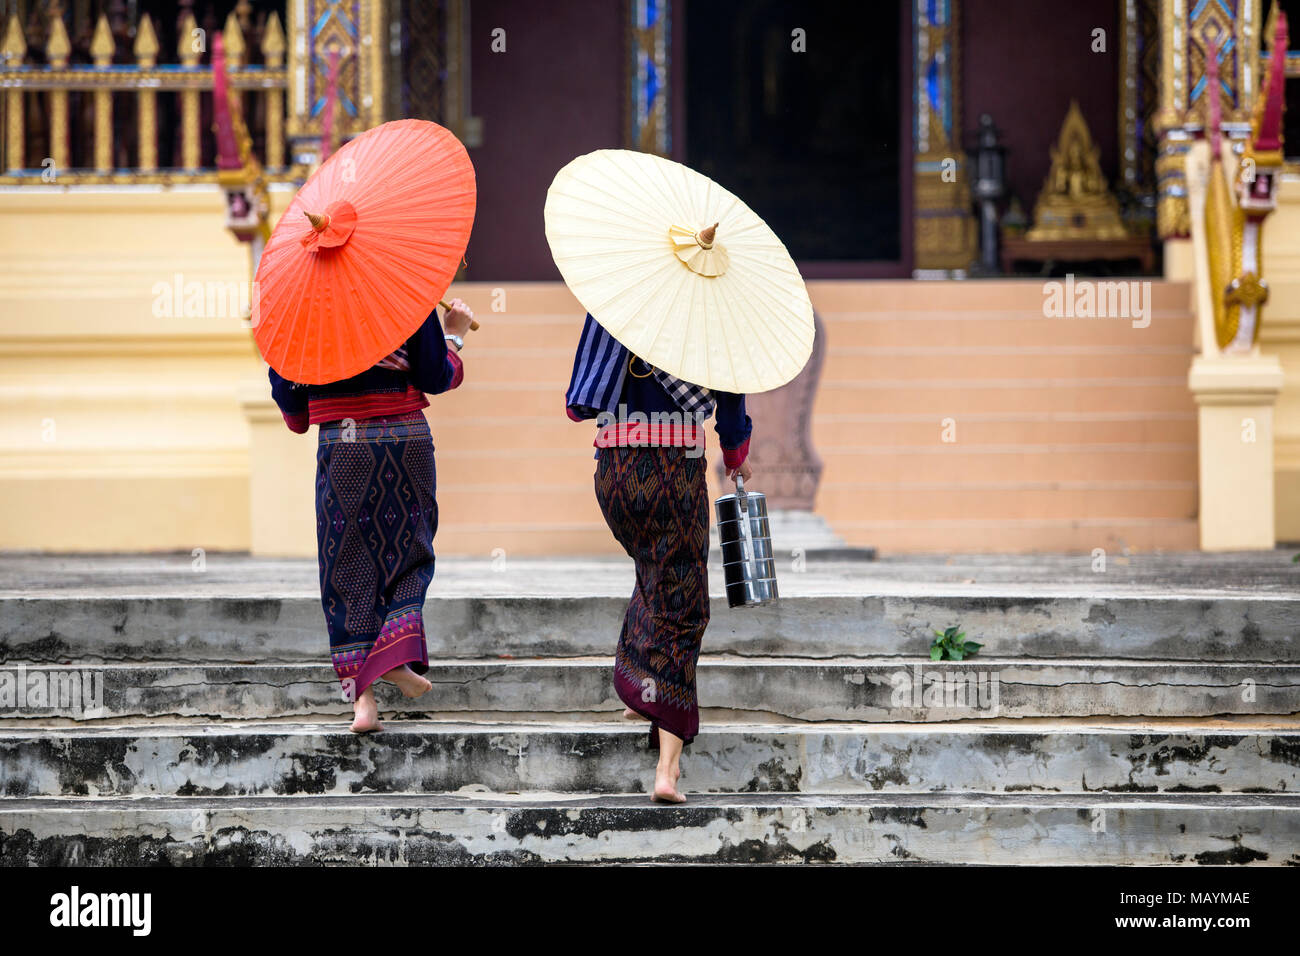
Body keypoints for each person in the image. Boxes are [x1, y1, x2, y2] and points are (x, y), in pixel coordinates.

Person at [565, 313, 753, 803]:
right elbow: (729, 409)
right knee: (683, 607)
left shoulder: (618, 304)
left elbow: (580, 399)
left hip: (614, 473)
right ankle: (667, 769)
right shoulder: (706, 317)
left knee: (655, 569)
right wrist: (735, 455)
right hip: (673, 472)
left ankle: (641, 686)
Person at [268, 299, 475, 733]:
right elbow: (438, 375)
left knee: (346, 568)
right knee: (409, 556)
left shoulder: (300, 309)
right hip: (405, 440)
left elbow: (293, 411)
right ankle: (393, 655)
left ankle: (364, 703)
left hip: (343, 448)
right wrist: (453, 335)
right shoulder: (403, 292)